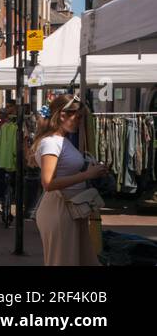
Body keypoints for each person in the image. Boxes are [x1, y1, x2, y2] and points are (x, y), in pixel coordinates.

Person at [31, 95, 106, 266]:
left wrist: (91, 171)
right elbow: (48, 183)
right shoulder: (51, 143)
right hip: (60, 209)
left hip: (71, 209)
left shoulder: (61, 141)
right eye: (78, 117)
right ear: (63, 115)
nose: (80, 122)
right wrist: (87, 175)